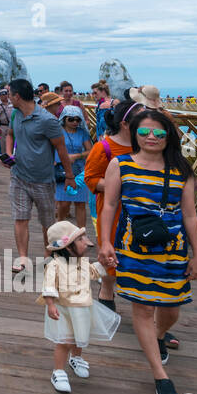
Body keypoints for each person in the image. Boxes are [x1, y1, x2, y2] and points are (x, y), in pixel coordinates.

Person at [98, 108, 197, 394]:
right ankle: (160, 375)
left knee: (171, 309)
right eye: (144, 132)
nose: (152, 137)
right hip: (135, 249)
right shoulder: (121, 164)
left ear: (168, 135)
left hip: (173, 250)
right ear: (134, 133)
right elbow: (109, 206)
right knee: (143, 308)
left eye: (159, 132)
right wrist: (105, 242)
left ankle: (159, 335)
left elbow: (189, 214)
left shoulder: (180, 169)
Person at [2, 78, 76, 273]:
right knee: (20, 218)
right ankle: (23, 257)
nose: (8, 97)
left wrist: (69, 176)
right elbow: (10, 134)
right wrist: (9, 153)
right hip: (19, 176)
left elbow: (61, 149)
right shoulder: (16, 114)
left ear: (17, 96)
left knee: (47, 222)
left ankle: (49, 255)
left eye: (10, 94)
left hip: (43, 180)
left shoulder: (47, 120)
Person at [39, 221, 120, 393]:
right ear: (68, 246)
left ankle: (76, 357)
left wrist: (105, 265)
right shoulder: (54, 265)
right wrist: (50, 304)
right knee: (65, 340)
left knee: (79, 336)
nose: (86, 241)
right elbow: (49, 286)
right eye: (81, 239)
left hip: (83, 307)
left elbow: (92, 272)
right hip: (63, 309)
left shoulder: (82, 262)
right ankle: (58, 371)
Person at [83, 97, 139, 311]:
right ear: (125, 123)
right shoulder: (104, 147)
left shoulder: (146, 145)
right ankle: (107, 289)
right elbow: (91, 179)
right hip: (112, 209)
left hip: (140, 210)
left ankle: (145, 302)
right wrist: (122, 185)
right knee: (111, 246)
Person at [54, 105, 90, 232]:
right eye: (71, 119)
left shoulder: (83, 133)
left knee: (80, 204)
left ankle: (82, 234)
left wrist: (77, 156)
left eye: (77, 120)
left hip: (79, 170)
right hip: (61, 169)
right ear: (64, 119)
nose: (75, 122)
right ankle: (59, 230)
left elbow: (90, 151)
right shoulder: (57, 131)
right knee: (63, 203)